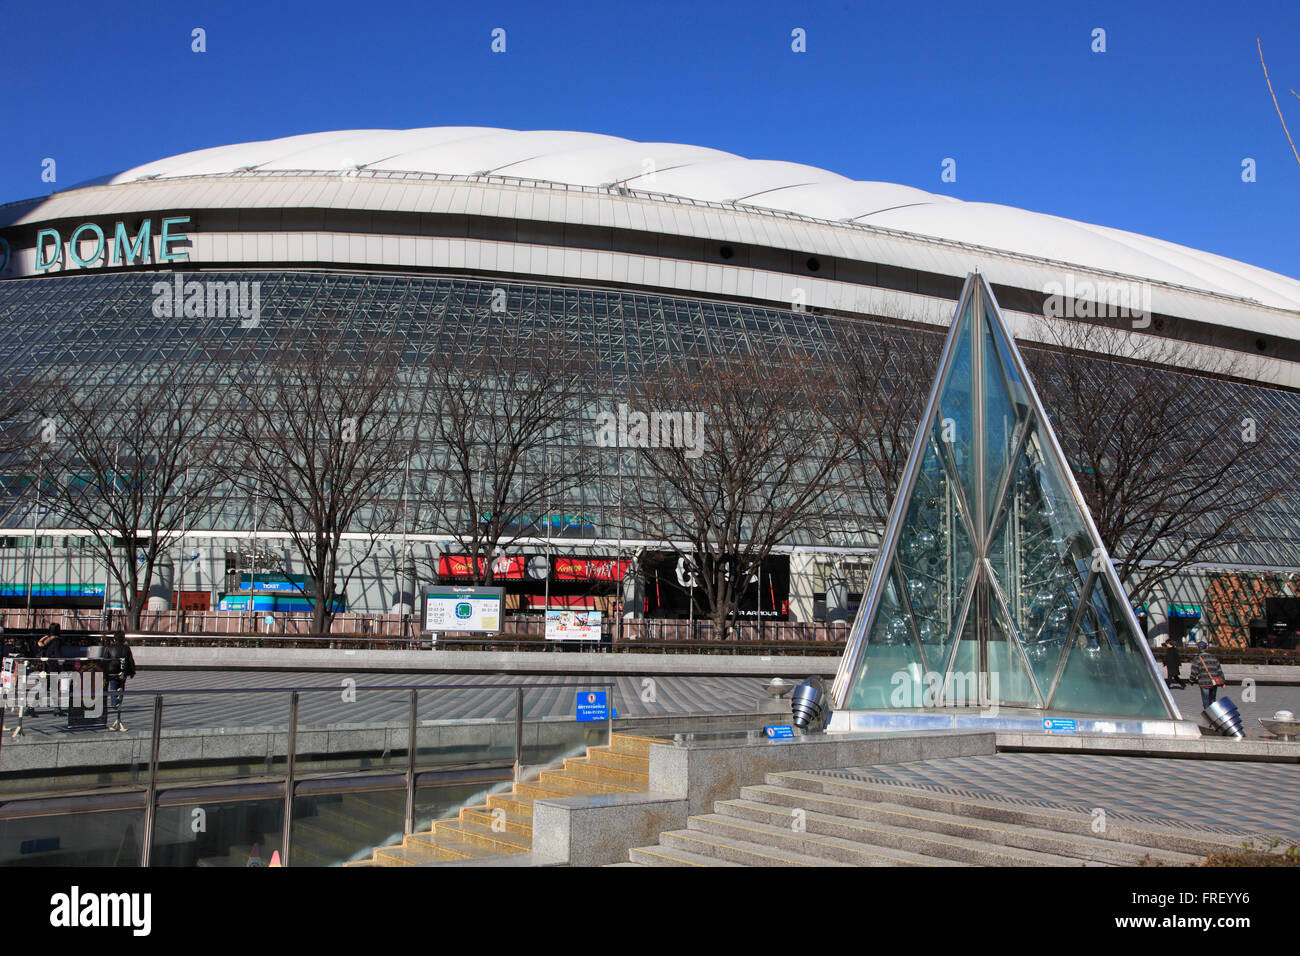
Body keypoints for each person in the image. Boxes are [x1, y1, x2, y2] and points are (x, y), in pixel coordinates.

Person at [103, 630, 135, 729]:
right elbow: (130, 661)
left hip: (111, 672)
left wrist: (104, 672)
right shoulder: (126, 648)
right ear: (123, 638)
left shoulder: (109, 647)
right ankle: (118, 702)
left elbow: (104, 660)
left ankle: (114, 703)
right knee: (121, 687)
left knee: (113, 686)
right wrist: (132, 672)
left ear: (114, 638)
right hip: (122, 672)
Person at [1189, 640, 1226, 710]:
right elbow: (1219, 670)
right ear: (1207, 648)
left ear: (1198, 648)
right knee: (1213, 699)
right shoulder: (1213, 657)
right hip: (1214, 682)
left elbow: (1194, 671)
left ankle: (1208, 714)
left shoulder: (1197, 658)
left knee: (1205, 700)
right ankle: (1214, 713)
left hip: (1204, 683)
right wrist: (1223, 682)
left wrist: (1191, 681)